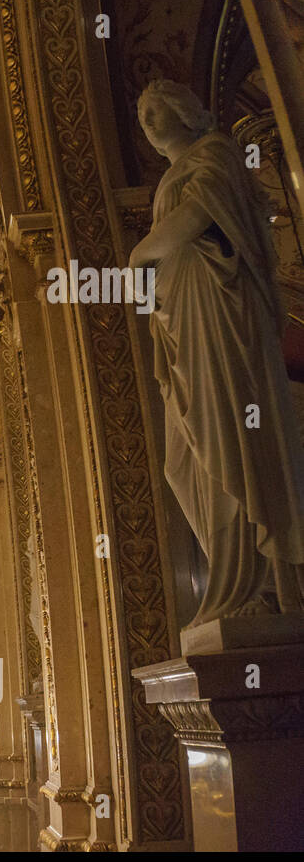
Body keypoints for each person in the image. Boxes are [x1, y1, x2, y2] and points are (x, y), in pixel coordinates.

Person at [129, 79, 304, 624]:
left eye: (157, 111)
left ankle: (261, 582)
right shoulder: (169, 178)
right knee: (184, 459)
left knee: (227, 433)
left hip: (218, 314)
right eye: (143, 117)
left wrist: (138, 254)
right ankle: (234, 581)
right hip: (181, 319)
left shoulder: (215, 154)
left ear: (185, 111)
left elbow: (192, 220)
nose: (150, 123)